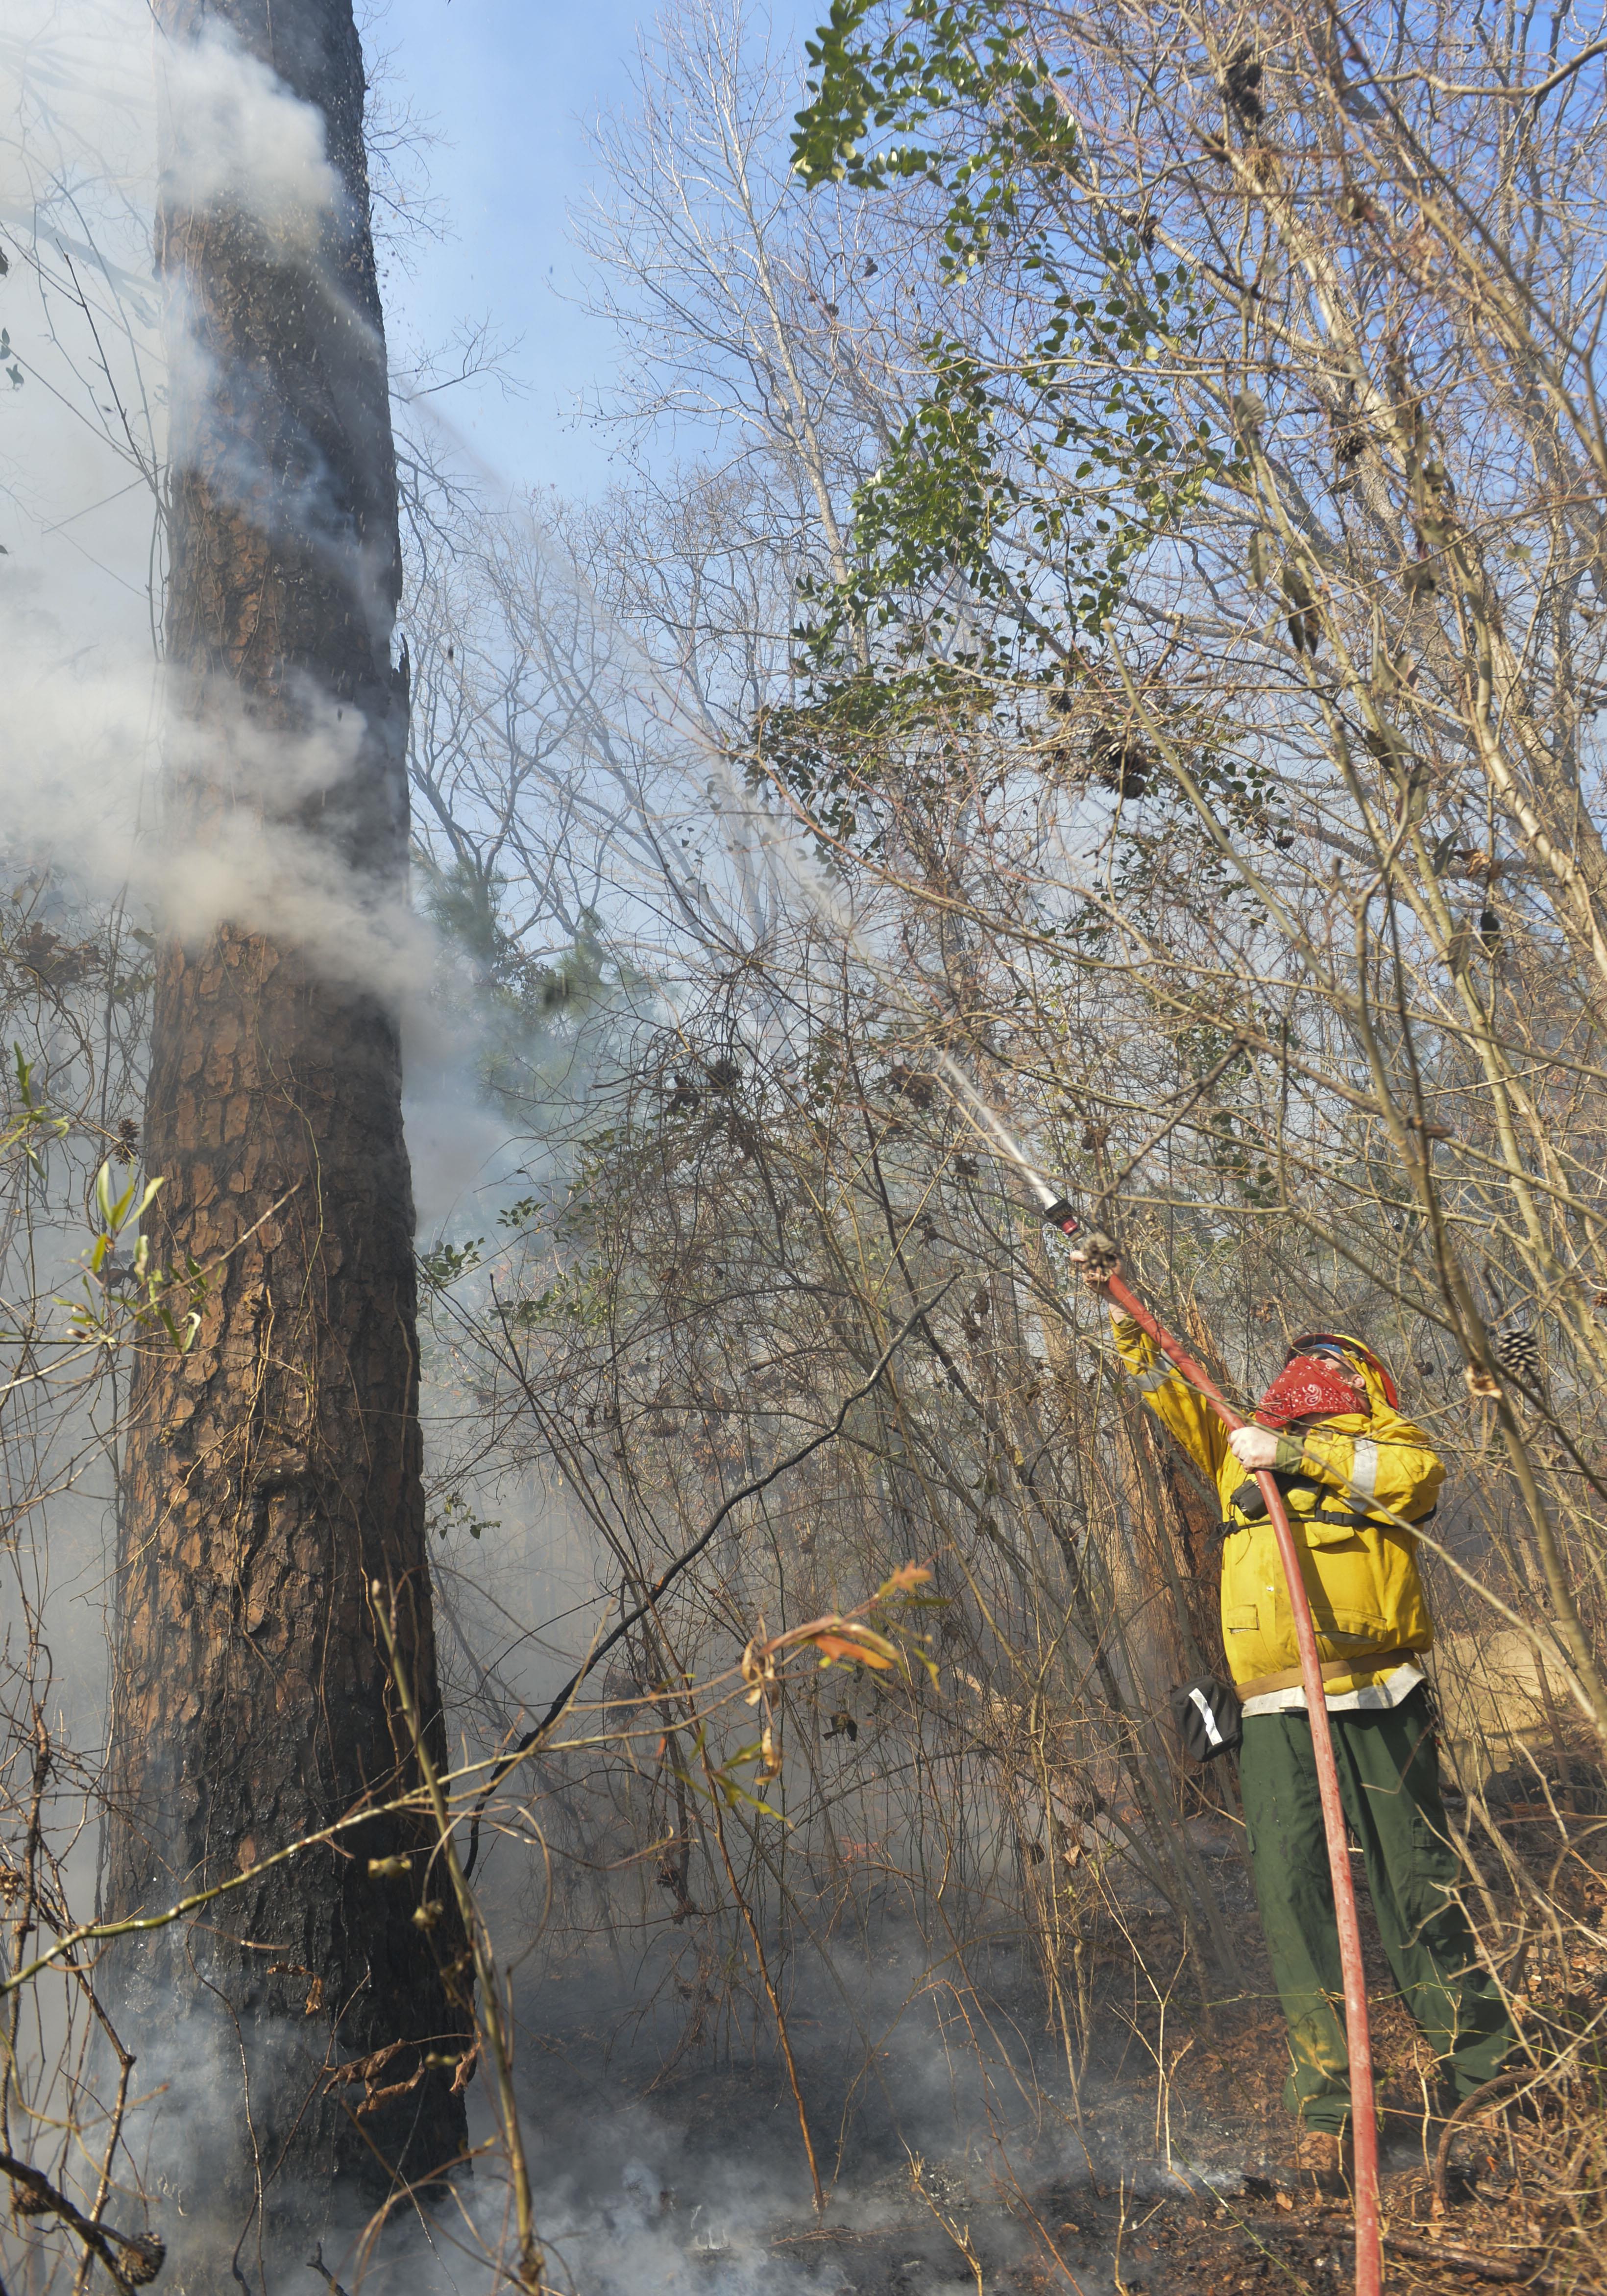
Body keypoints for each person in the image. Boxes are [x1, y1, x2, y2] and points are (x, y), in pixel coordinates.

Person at [1073, 1250, 1514, 2185]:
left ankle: (1486, 2080)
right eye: (1298, 1366)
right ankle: (1333, 2108)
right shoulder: (1238, 1440)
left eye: (1328, 1364)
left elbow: (1417, 1479)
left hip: (1379, 1697)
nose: (1304, 1379)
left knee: (1417, 1889)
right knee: (1295, 1902)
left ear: (1360, 1380)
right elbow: (1163, 1379)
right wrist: (1118, 1304)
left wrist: (1302, 1452)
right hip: (1277, 1713)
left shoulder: (1384, 1446)